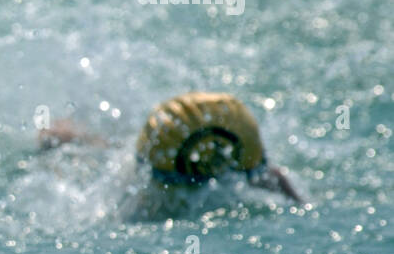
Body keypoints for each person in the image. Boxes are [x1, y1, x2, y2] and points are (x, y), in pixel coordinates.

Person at [38, 91, 304, 219]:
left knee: (106, 151)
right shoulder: (240, 173)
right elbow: (268, 176)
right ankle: (66, 137)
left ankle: (64, 138)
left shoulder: (137, 199)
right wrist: (301, 205)